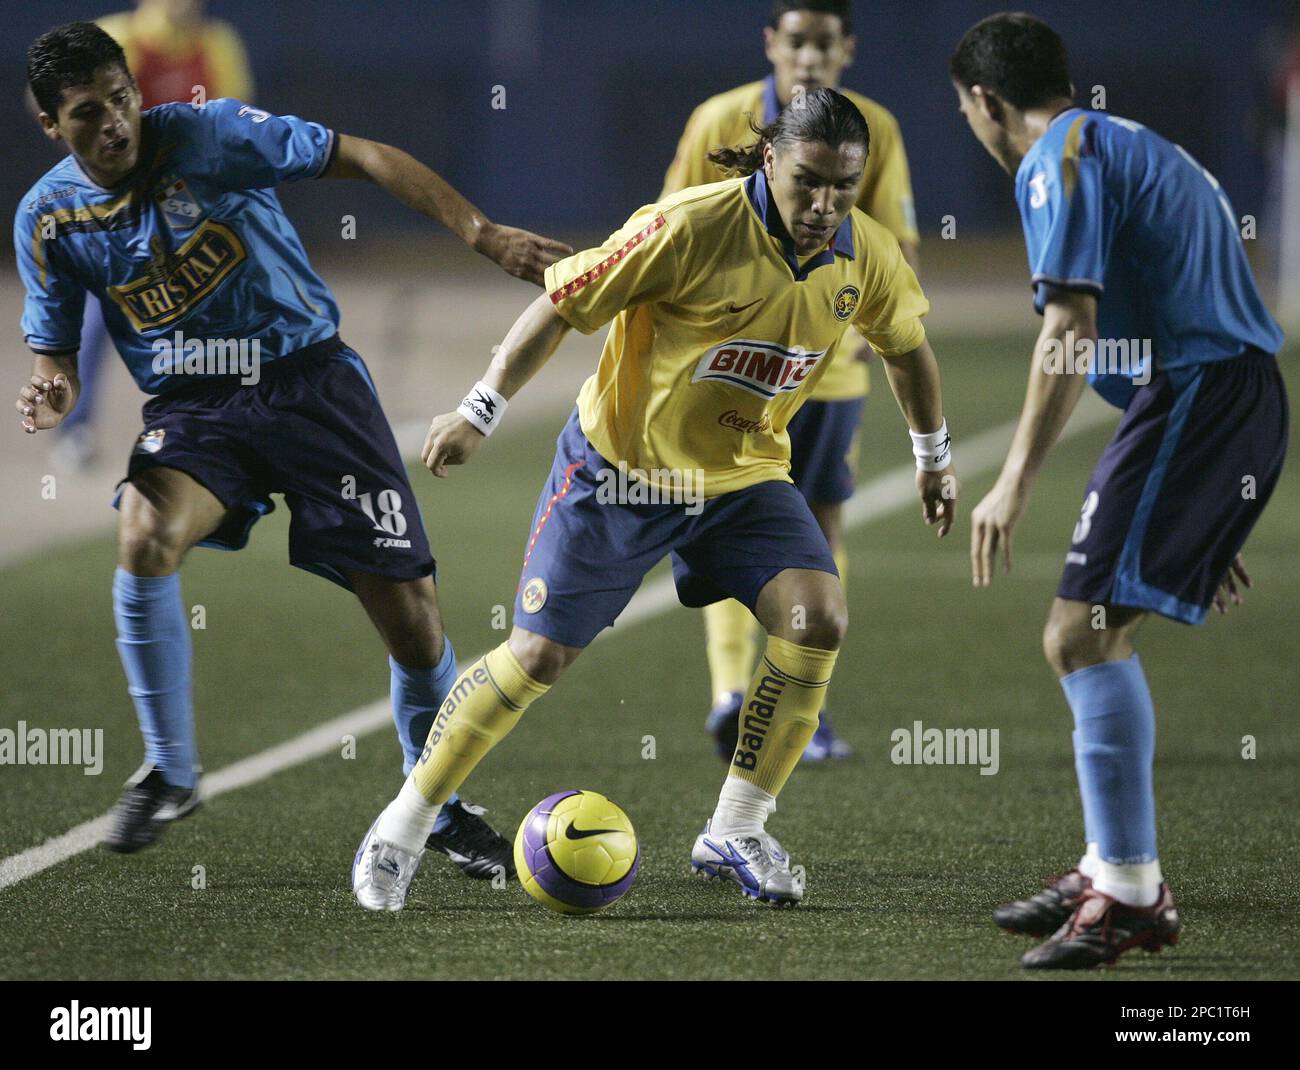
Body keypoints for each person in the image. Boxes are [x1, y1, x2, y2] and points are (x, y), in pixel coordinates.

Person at [352, 88, 957, 912]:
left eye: (844, 186)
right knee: (535, 658)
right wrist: (480, 409)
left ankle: (737, 827)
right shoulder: (685, 226)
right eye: (808, 180)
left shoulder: (869, 255)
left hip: (741, 480)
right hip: (621, 471)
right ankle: (403, 825)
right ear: (771, 159)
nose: (824, 205)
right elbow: (560, 304)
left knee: (819, 616)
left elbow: (908, 348)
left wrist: (933, 456)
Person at [14, 22, 572, 875]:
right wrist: (53, 385)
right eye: (89, 112)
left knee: (416, 627)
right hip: (195, 405)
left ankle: (442, 805)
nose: (116, 122)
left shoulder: (208, 135)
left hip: (312, 384)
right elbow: (53, 346)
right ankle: (170, 769)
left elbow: (368, 156)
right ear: (50, 123)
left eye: (122, 98)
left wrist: (481, 231)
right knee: (143, 532)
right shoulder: (48, 219)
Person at [950, 12, 1288, 969]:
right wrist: (1209, 499)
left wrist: (1012, 480)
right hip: (1220, 397)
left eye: (966, 109)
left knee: (1078, 632)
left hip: (1199, 394)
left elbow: (1070, 323)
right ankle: (1111, 864)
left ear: (983, 101)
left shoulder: (1058, 158)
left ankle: (1134, 895)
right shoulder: (1123, 137)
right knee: (1106, 630)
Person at [661, 0, 920, 763]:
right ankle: (732, 695)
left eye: (825, 44)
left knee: (818, 534)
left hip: (824, 372)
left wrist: (878, 323)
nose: (809, 57)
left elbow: (897, 244)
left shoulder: (871, 125)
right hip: (729, 373)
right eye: (797, 40)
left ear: (848, 51)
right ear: (772, 42)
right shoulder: (721, 117)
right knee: (720, 528)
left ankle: (805, 705)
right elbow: (669, 219)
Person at [54, 0, 258, 471]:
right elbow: (50, 100)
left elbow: (232, 122)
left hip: (185, 199)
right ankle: (76, 428)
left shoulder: (216, 42)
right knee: (100, 313)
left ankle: (223, 427)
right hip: (118, 199)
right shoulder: (117, 39)